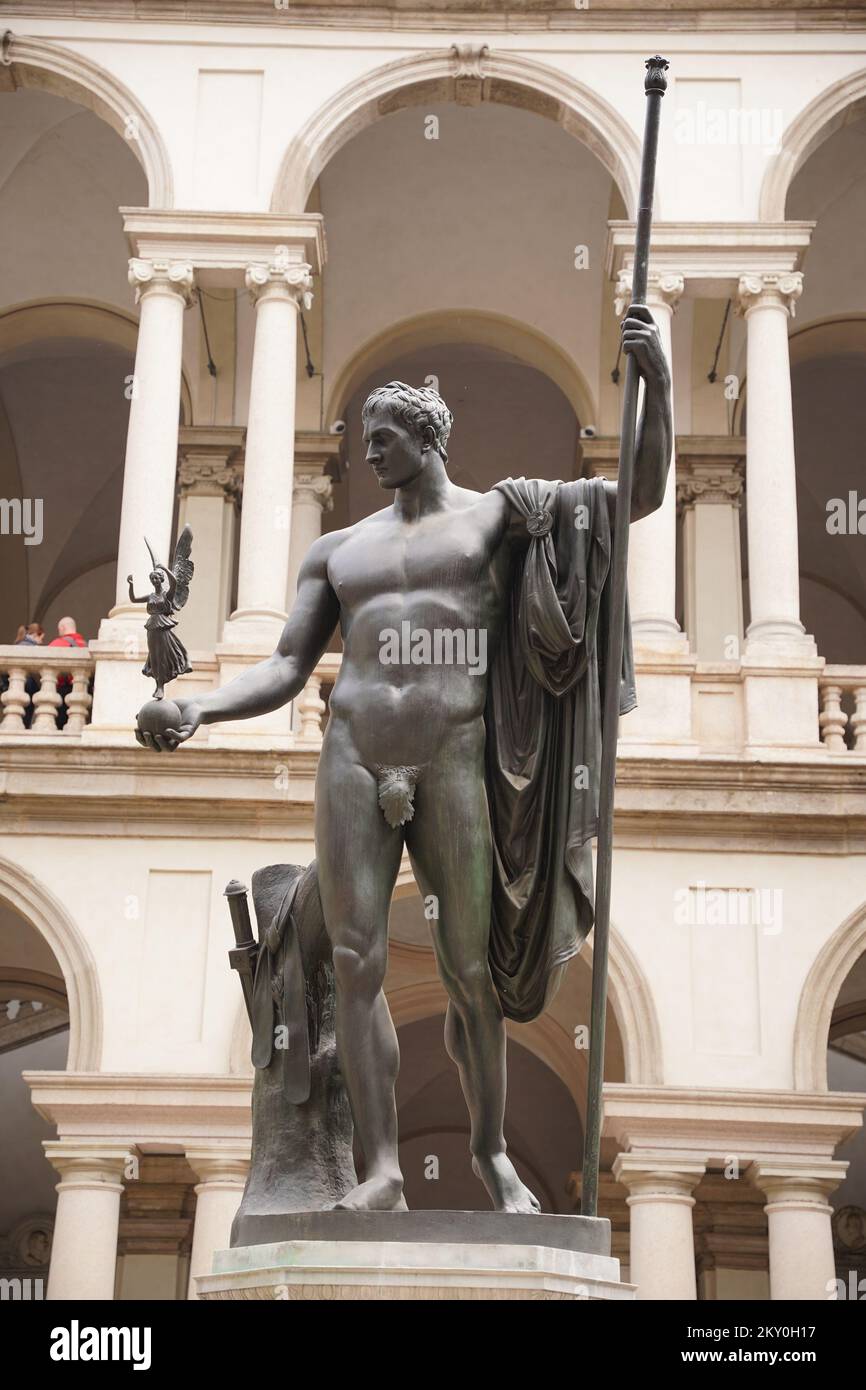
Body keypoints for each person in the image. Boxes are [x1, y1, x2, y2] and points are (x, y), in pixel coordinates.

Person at [137, 305, 671, 1214]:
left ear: (426, 439)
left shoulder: (501, 517)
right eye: (362, 443)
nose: (367, 456)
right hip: (352, 756)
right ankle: (383, 1169)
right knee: (356, 960)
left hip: (454, 755)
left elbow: (641, 492)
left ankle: (493, 1156)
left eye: (382, 440)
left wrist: (656, 380)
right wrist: (197, 707)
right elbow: (282, 668)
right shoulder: (339, 551)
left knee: (469, 972)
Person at [48, 616, 88, 729]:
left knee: (59, 727)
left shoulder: (57, 644)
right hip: (81, 694)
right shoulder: (85, 645)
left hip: (61, 693)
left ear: (62, 627)